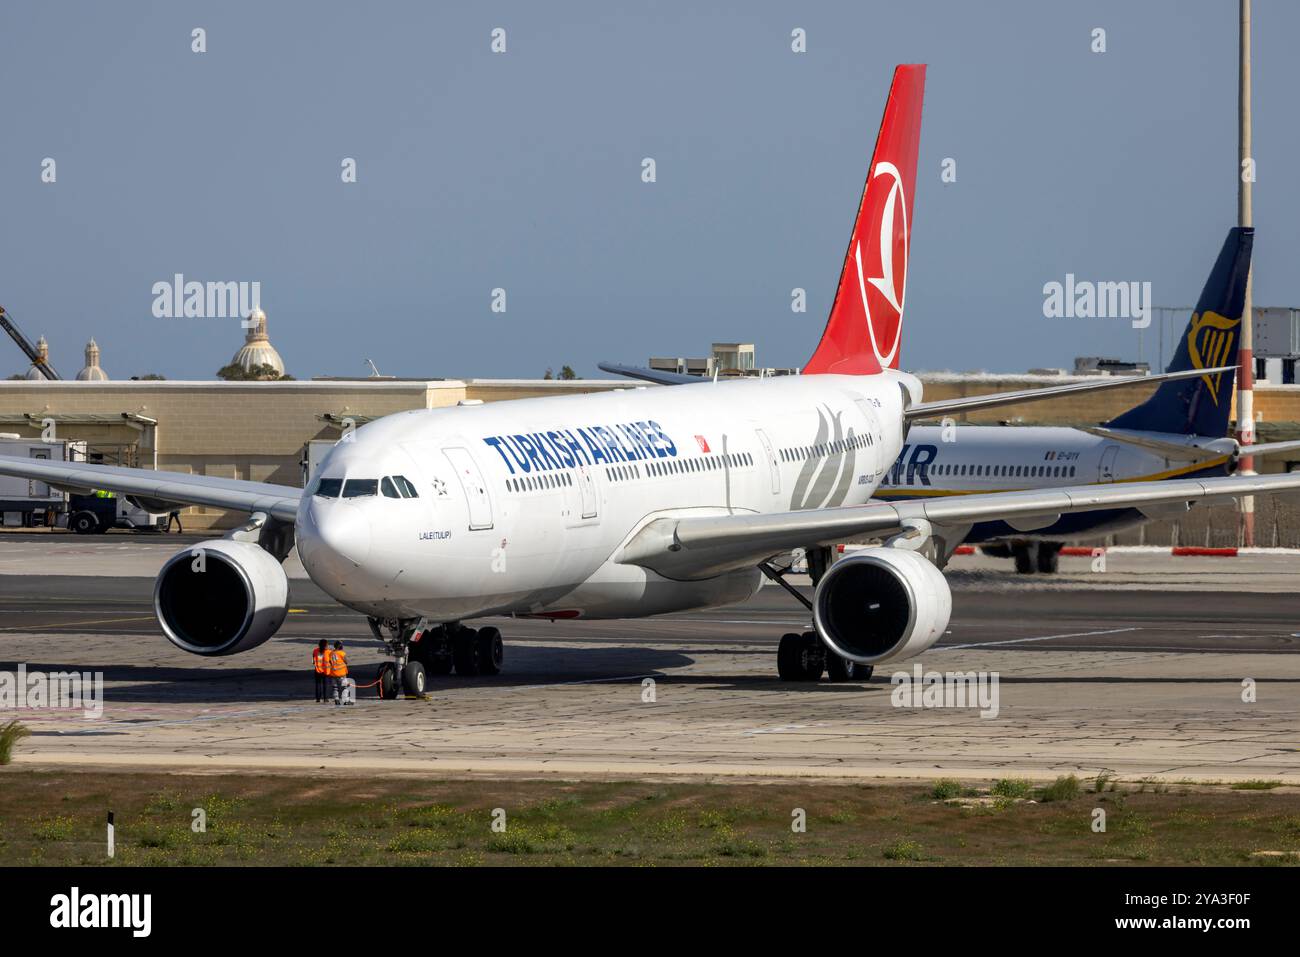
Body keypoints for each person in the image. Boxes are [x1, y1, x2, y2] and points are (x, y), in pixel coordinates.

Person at [329, 641, 349, 707]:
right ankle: (345, 700)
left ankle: (336, 700)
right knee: (344, 688)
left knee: (335, 688)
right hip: (341, 674)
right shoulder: (342, 653)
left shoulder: (331, 653)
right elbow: (346, 661)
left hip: (333, 674)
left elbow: (330, 662)